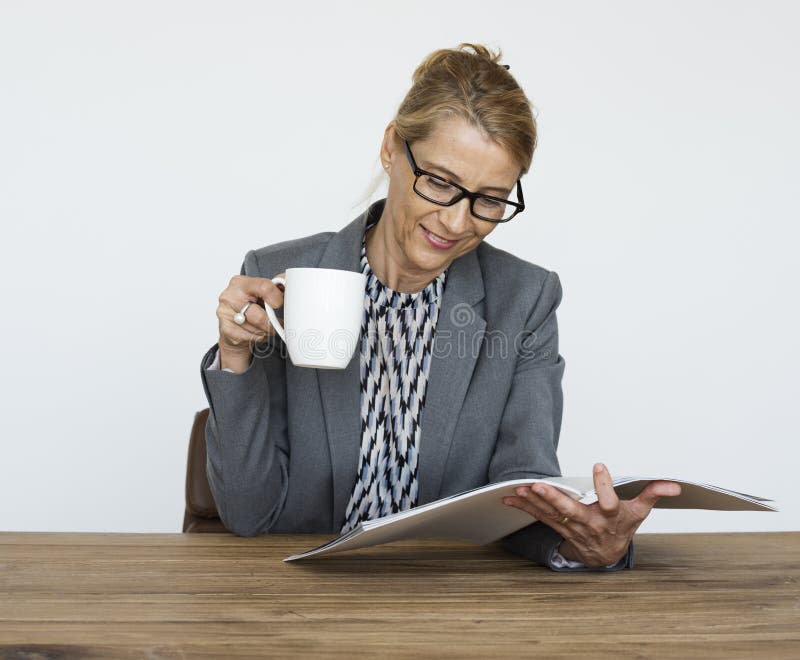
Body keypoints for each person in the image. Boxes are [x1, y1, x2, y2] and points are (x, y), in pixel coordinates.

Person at [199, 43, 681, 571]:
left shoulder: (525, 299)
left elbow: (521, 493)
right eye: (440, 183)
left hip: (453, 594)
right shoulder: (282, 276)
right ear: (391, 148)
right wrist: (235, 357)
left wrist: (585, 545)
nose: (456, 224)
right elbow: (249, 515)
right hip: (301, 590)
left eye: (490, 200)